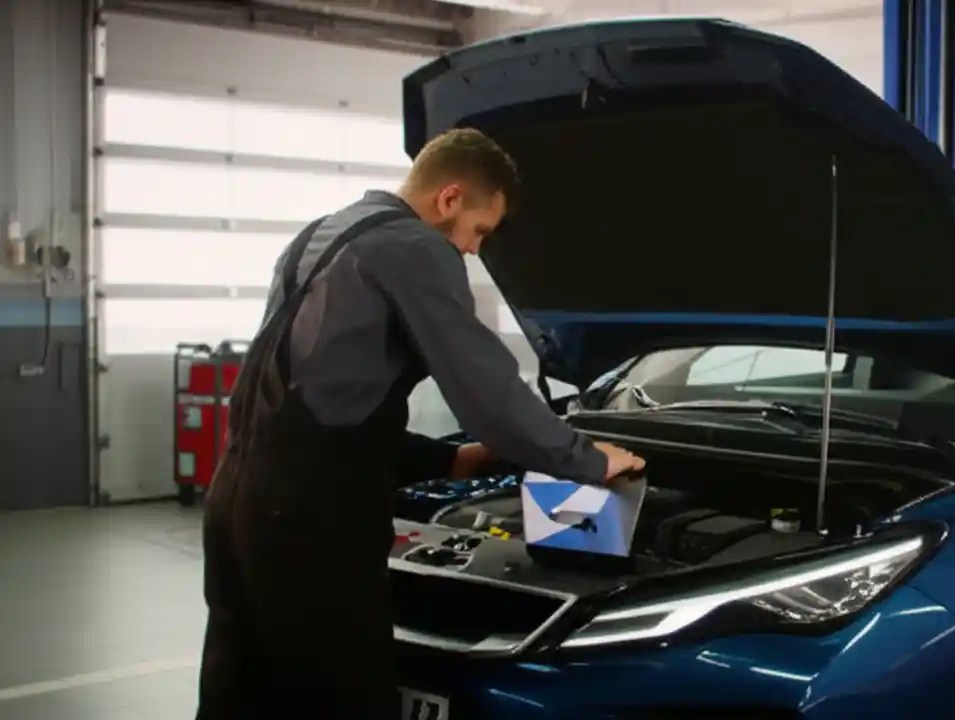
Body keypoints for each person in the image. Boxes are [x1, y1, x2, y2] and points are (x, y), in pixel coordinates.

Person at [195, 128, 645, 719]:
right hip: (311, 523)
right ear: (450, 198)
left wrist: (446, 461)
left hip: (236, 503)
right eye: (480, 231)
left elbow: (314, 401)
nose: (475, 251)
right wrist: (586, 459)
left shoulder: (320, 236)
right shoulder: (415, 249)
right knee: (342, 698)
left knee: (241, 694)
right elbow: (484, 388)